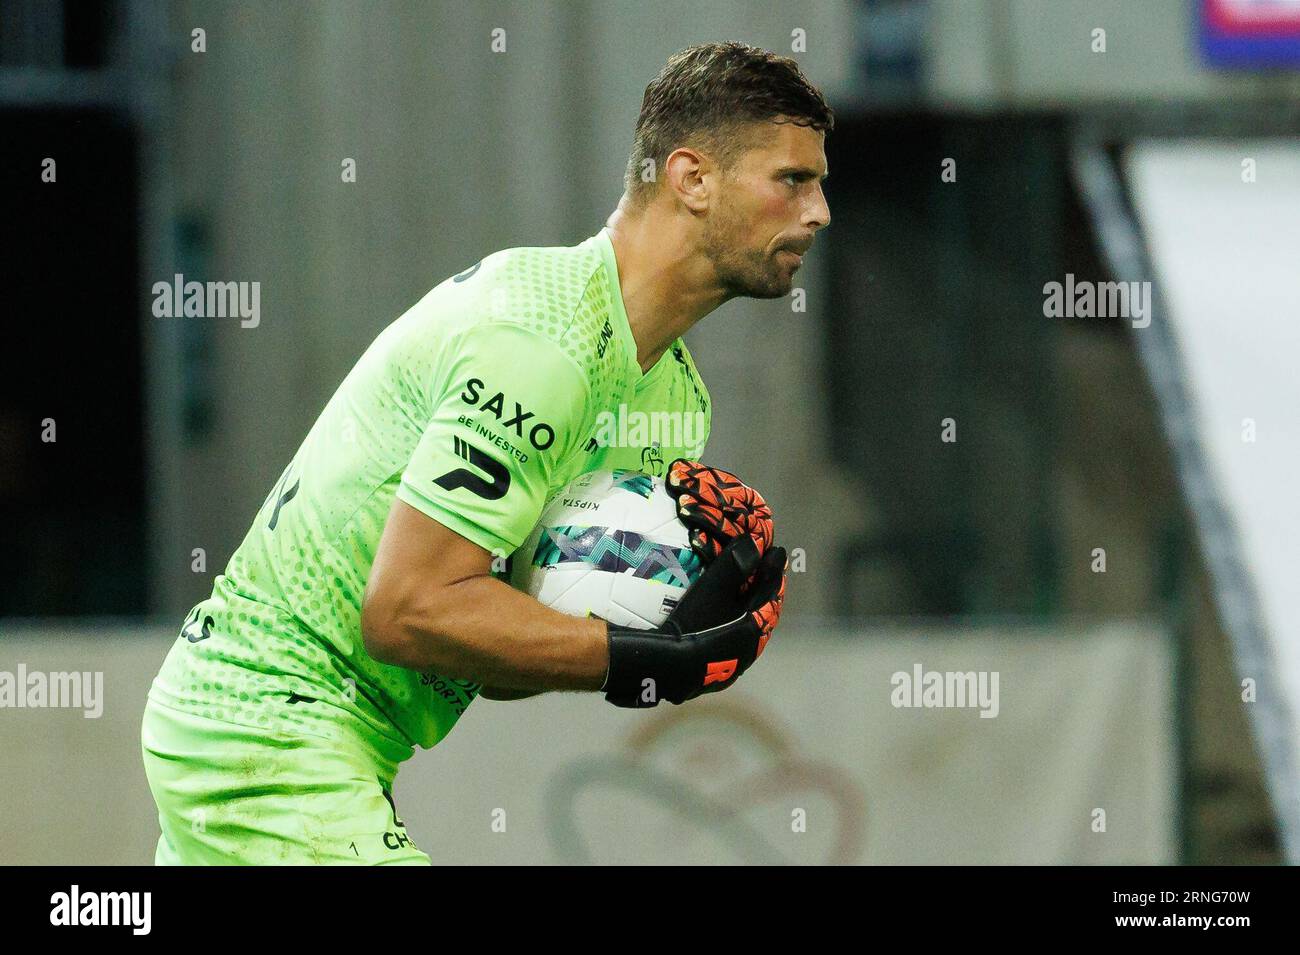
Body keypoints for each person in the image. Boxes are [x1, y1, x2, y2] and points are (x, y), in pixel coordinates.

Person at [141, 40, 832, 865]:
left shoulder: (673, 401)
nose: (819, 210)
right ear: (691, 178)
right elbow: (405, 610)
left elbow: (486, 656)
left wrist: (657, 624)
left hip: (325, 737)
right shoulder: (538, 342)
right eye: (793, 179)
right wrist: (640, 659)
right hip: (269, 719)